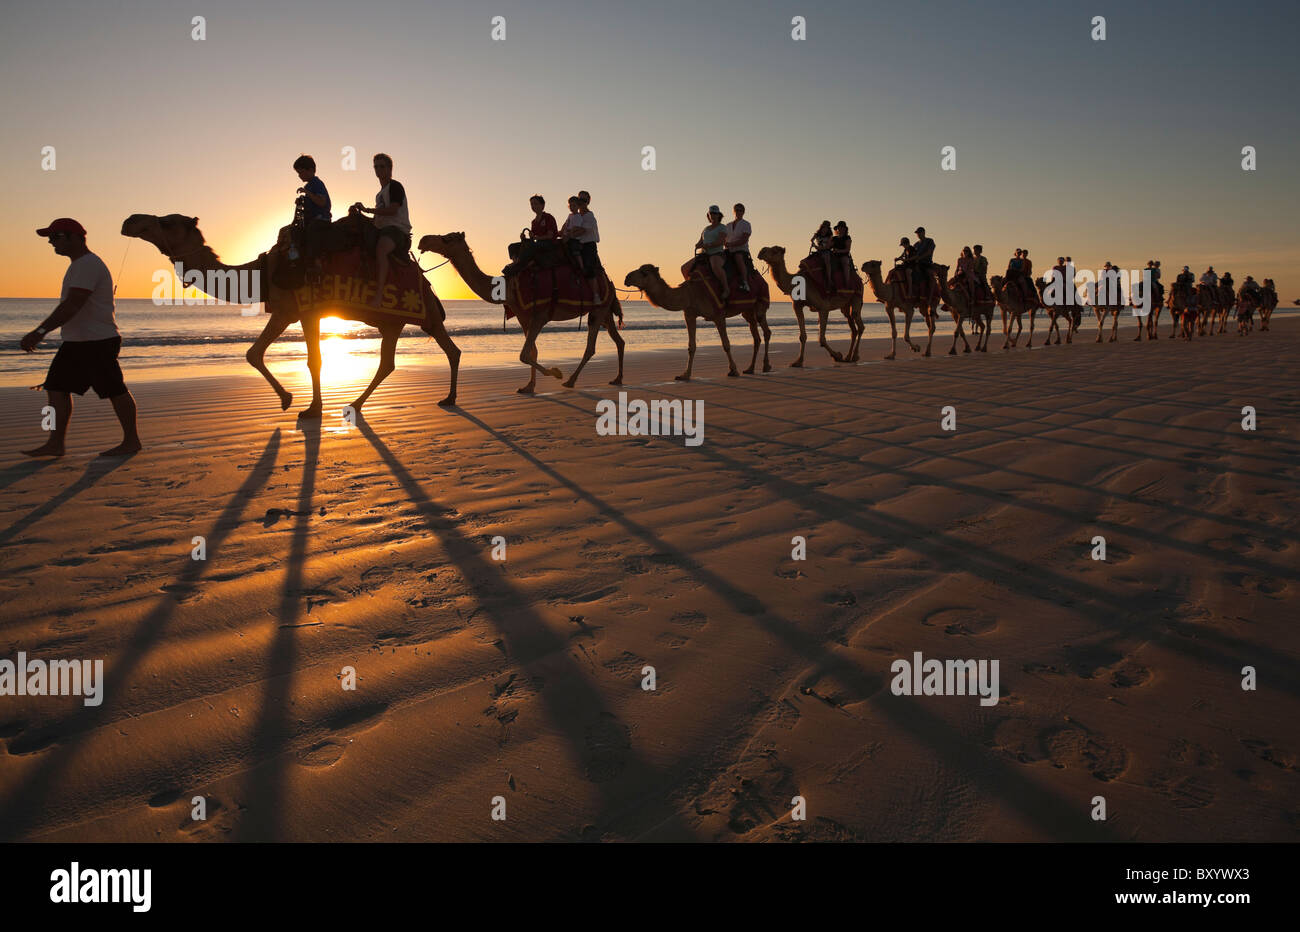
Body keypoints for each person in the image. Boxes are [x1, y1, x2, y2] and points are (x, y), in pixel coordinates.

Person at [20, 219, 141, 458]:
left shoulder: (88, 265)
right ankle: (55, 443)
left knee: (114, 390)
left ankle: (131, 441)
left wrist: (40, 332)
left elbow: (73, 304)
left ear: (74, 237)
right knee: (55, 388)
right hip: (78, 341)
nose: (51, 242)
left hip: (98, 341)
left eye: (55, 237)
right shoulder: (79, 265)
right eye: (50, 238)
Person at [350, 153, 411, 308]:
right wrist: (361, 214)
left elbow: (392, 210)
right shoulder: (379, 194)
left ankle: (379, 295)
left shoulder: (395, 186)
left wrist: (369, 210)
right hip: (383, 229)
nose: (378, 169)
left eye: (382, 166)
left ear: (390, 168)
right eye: (376, 167)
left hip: (397, 230)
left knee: (381, 250)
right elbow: (379, 219)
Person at [291, 154, 331, 276]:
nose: (299, 175)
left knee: (313, 229)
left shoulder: (317, 183)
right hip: (310, 219)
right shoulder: (308, 186)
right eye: (298, 173)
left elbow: (321, 201)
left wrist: (307, 193)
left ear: (311, 170)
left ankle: (317, 263)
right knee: (294, 231)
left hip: (321, 220)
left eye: (301, 172)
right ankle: (295, 261)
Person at [684, 206, 730, 300]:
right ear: (708, 215)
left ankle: (726, 289)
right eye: (711, 214)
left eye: (714, 214)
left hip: (717, 253)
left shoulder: (722, 227)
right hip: (703, 254)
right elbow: (701, 241)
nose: (712, 215)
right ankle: (690, 288)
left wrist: (708, 245)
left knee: (716, 267)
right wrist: (698, 244)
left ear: (718, 215)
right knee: (684, 268)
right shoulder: (706, 229)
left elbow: (720, 241)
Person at [561, 193, 602, 295]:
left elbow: (581, 231)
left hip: (588, 245)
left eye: (584, 199)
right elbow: (565, 227)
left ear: (588, 201)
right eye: (579, 199)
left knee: (589, 269)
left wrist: (568, 235)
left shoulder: (589, 216)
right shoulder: (574, 216)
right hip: (575, 242)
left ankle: (595, 295)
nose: (581, 201)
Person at [725, 203, 752, 292]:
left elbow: (743, 240)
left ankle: (745, 282)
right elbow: (722, 238)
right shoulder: (727, 226)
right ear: (734, 211)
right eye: (736, 210)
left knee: (738, 257)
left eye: (740, 210)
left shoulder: (746, 224)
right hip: (728, 250)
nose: (738, 212)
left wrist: (730, 244)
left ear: (743, 212)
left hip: (741, 250)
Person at [911, 226, 935, 297]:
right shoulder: (916, 244)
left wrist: (919, 258)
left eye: (919, 233)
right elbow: (912, 254)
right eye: (917, 233)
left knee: (930, 276)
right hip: (916, 263)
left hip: (926, 263)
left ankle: (930, 295)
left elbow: (929, 252)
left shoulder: (930, 241)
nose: (918, 234)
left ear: (924, 233)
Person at [811, 220, 834, 289]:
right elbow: (811, 240)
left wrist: (818, 247)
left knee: (827, 262)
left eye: (827, 228)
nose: (825, 229)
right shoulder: (817, 234)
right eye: (824, 227)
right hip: (818, 251)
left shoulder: (830, 236)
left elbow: (827, 246)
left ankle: (829, 279)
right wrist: (814, 245)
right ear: (822, 227)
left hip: (826, 251)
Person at [831, 221, 853, 290]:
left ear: (845, 229)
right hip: (834, 256)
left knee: (845, 263)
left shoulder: (847, 238)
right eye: (839, 228)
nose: (840, 229)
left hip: (843, 256)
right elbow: (829, 246)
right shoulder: (834, 238)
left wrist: (838, 251)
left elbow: (847, 249)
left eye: (841, 228)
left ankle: (847, 283)